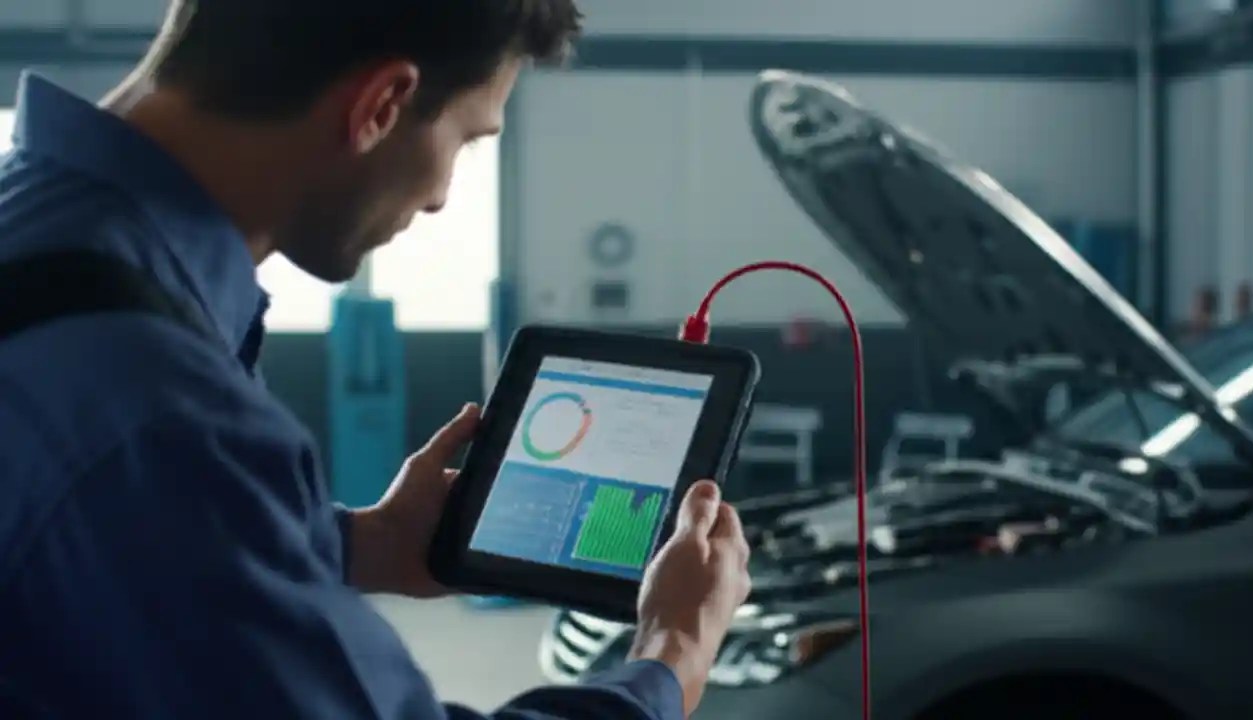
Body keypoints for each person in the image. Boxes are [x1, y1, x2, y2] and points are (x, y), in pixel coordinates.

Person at [0, 1, 752, 718]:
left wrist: (364, 545)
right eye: (466, 140)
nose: (441, 197)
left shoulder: (39, 223)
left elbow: (115, 556)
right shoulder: (159, 405)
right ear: (382, 104)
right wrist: (674, 653)